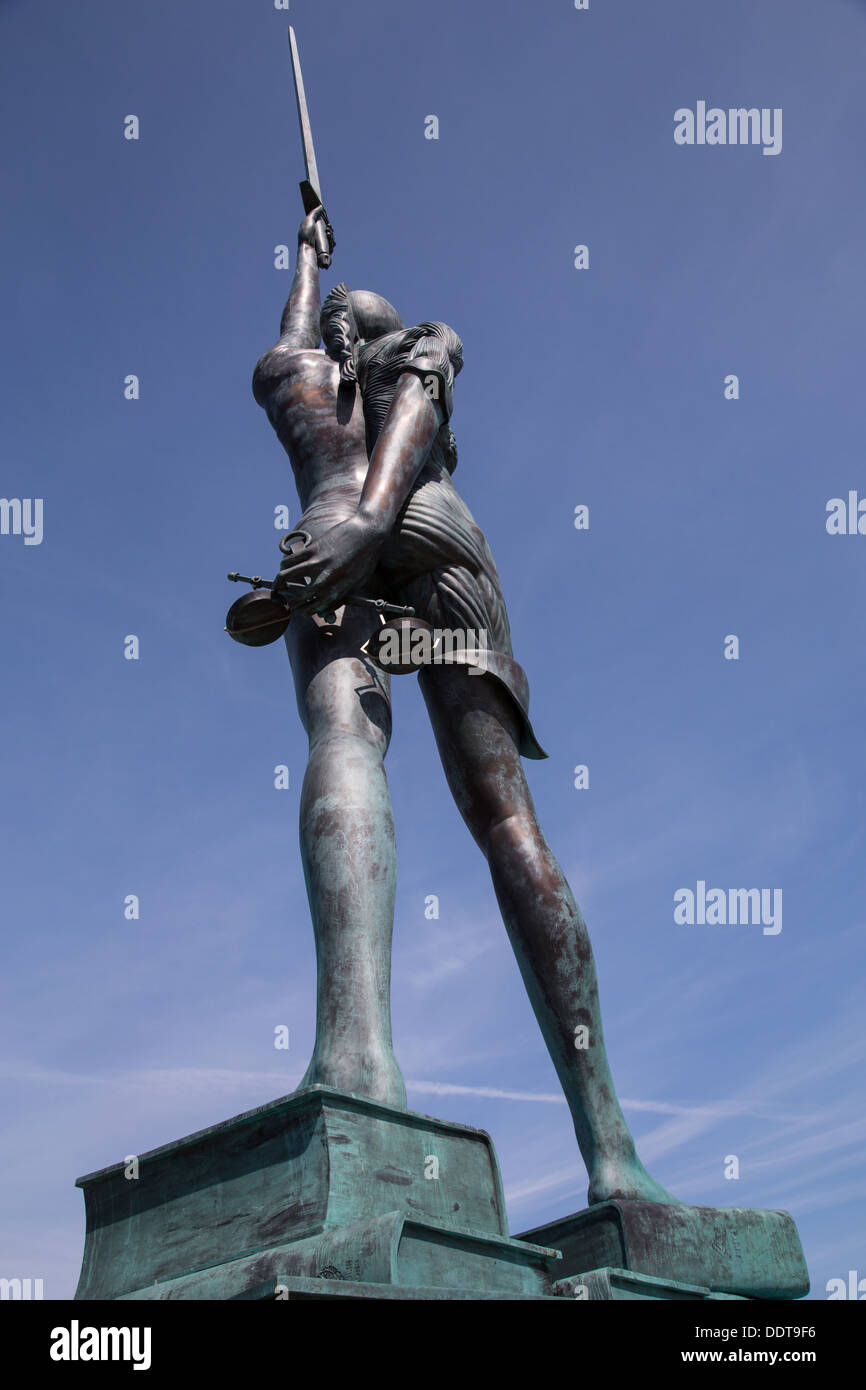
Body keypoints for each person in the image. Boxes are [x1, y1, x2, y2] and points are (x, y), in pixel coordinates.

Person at [251, 207, 674, 1204]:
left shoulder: (290, 374)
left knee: (342, 741)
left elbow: (294, 325)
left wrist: (305, 260)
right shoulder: (421, 341)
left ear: (324, 333)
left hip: (323, 540)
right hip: (425, 531)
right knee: (505, 820)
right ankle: (610, 1153)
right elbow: (421, 399)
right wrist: (379, 515)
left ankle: (353, 1057)